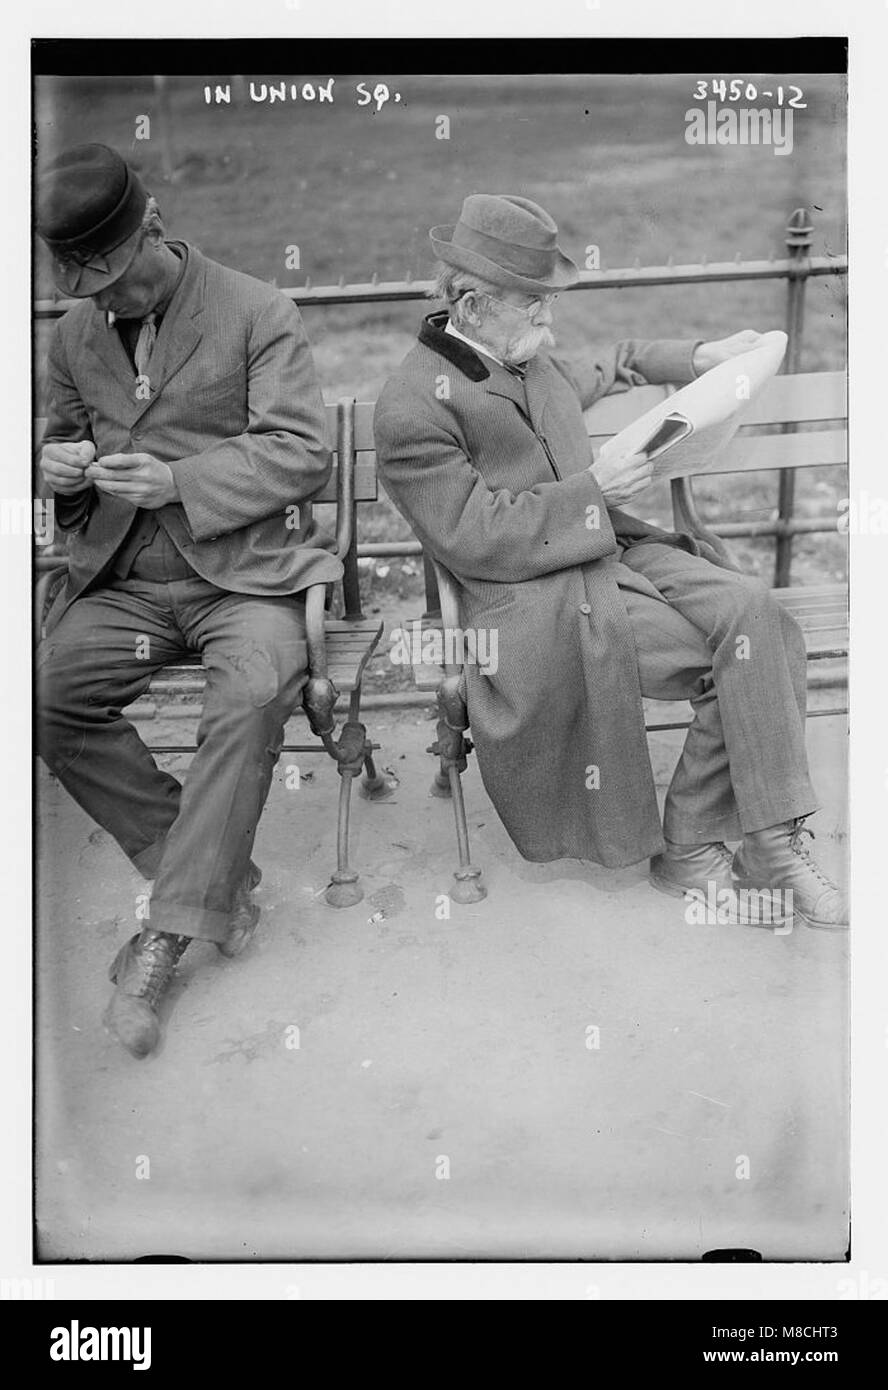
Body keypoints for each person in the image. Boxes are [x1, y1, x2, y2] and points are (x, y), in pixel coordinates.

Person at [373, 193, 846, 931]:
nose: (549, 322)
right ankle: (703, 847)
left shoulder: (522, 355)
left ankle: (768, 841)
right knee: (729, 655)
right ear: (470, 303)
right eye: (535, 306)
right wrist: (594, 492)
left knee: (758, 614)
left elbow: (614, 364)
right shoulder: (412, 407)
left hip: (613, 550)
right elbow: (470, 535)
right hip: (534, 601)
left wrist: (700, 359)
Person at [36, 143, 340, 1057]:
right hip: (123, 581)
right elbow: (64, 452)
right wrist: (57, 473)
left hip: (243, 576)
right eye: (91, 287)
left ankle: (167, 936)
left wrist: (177, 479)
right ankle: (211, 878)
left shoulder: (257, 308)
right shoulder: (71, 333)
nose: (109, 301)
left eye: (121, 278)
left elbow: (301, 451)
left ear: (156, 229)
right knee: (45, 697)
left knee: (250, 696)